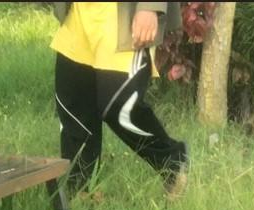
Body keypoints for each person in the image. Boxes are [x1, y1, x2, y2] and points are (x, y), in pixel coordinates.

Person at [50, 2, 188, 197]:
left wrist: (149, 7)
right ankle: (79, 191)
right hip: (78, 14)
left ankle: (171, 160)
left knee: (119, 107)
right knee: (74, 108)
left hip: (122, 16)